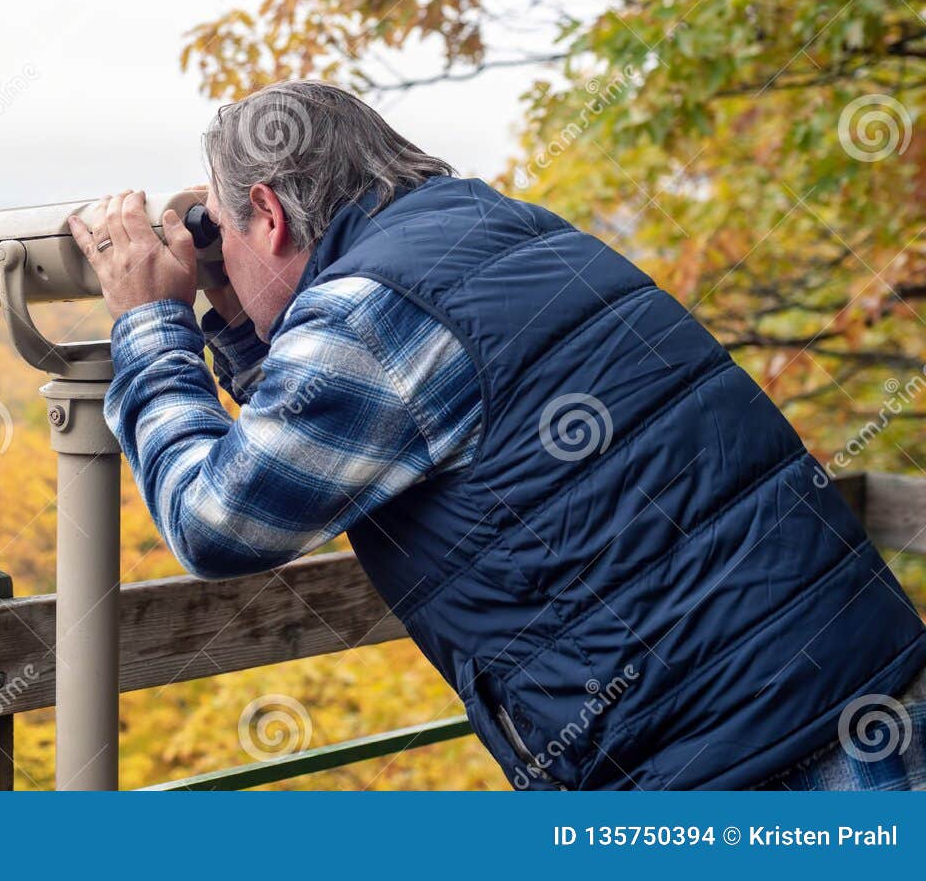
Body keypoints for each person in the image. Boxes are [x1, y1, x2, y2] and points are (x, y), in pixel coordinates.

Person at [66, 80, 926, 791]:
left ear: (270, 212)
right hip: (869, 698)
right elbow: (340, 433)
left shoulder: (371, 319)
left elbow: (217, 522)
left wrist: (152, 322)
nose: (215, 246)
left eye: (221, 226)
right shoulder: (512, 235)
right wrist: (234, 314)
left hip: (748, 764)